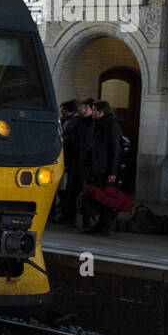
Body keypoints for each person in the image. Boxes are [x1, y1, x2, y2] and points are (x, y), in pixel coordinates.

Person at [83, 100, 124, 235]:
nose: (92, 112)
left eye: (94, 110)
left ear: (100, 112)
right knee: (96, 198)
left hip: (104, 169)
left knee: (106, 199)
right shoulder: (96, 125)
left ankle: (104, 227)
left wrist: (112, 172)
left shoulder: (111, 127)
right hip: (95, 167)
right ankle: (98, 225)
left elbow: (115, 151)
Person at [54, 99, 83, 224]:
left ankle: (68, 216)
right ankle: (64, 214)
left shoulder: (74, 122)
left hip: (69, 161)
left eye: (64, 108)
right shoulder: (66, 121)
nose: (62, 111)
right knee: (63, 189)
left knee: (67, 189)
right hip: (64, 159)